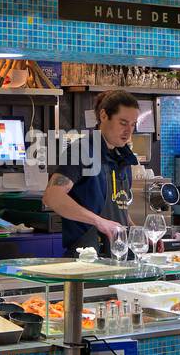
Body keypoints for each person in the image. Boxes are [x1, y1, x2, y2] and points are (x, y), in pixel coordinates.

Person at [42, 89, 140, 255]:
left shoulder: (123, 157)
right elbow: (52, 196)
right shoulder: (82, 150)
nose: (128, 131)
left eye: (133, 125)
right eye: (123, 123)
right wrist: (99, 222)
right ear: (103, 116)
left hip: (119, 257)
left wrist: (138, 233)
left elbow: (119, 210)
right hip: (87, 258)